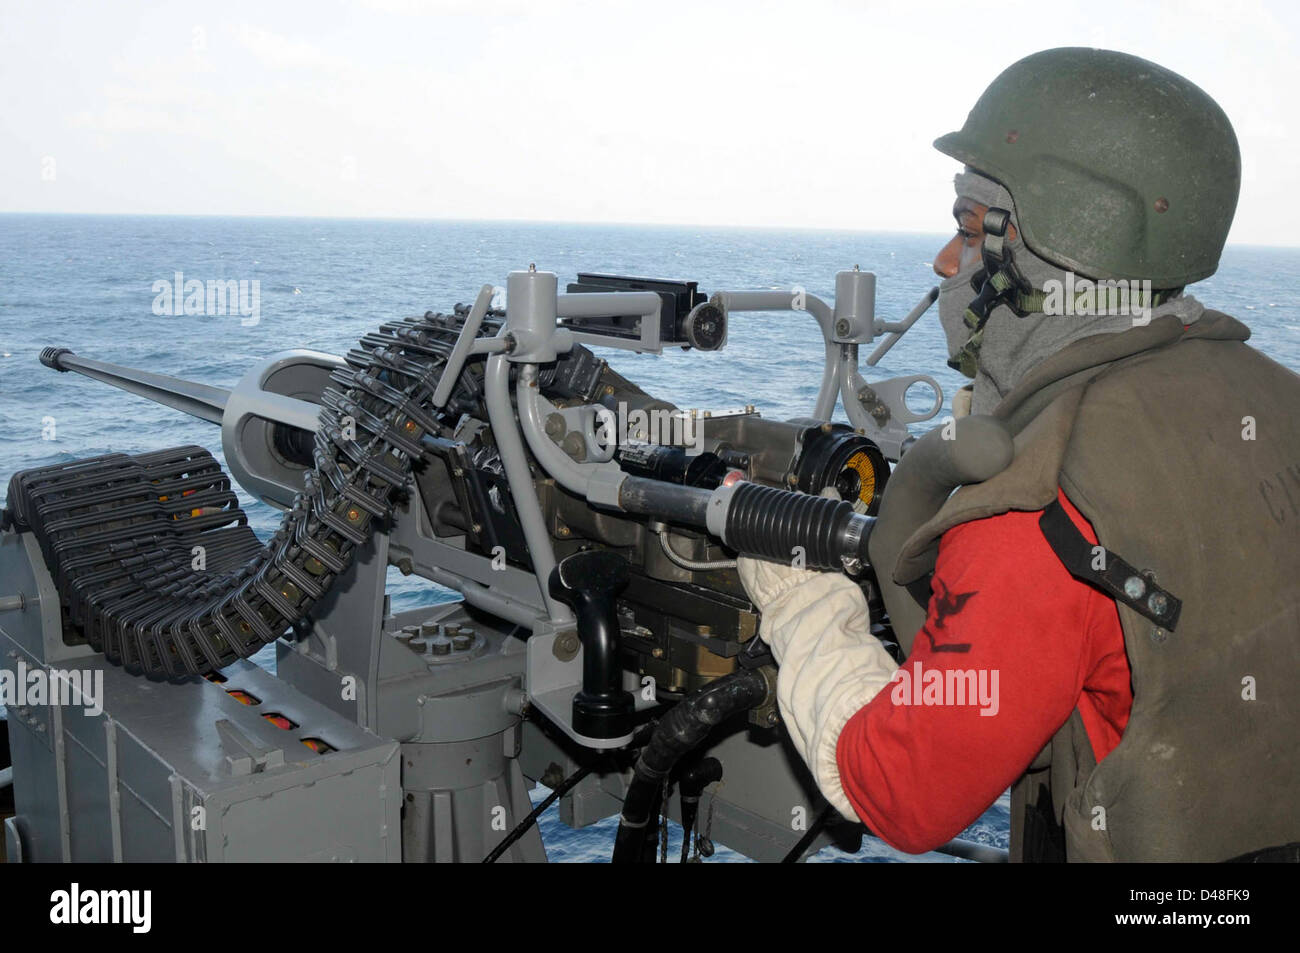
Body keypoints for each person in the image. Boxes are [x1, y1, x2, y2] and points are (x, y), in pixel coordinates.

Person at [739, 46, 1300, 862]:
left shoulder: (1038, 500)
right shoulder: (1277, 398)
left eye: (968, 227)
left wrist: (798, 599)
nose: (943, 262)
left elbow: (898, 790)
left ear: (1057, 244)